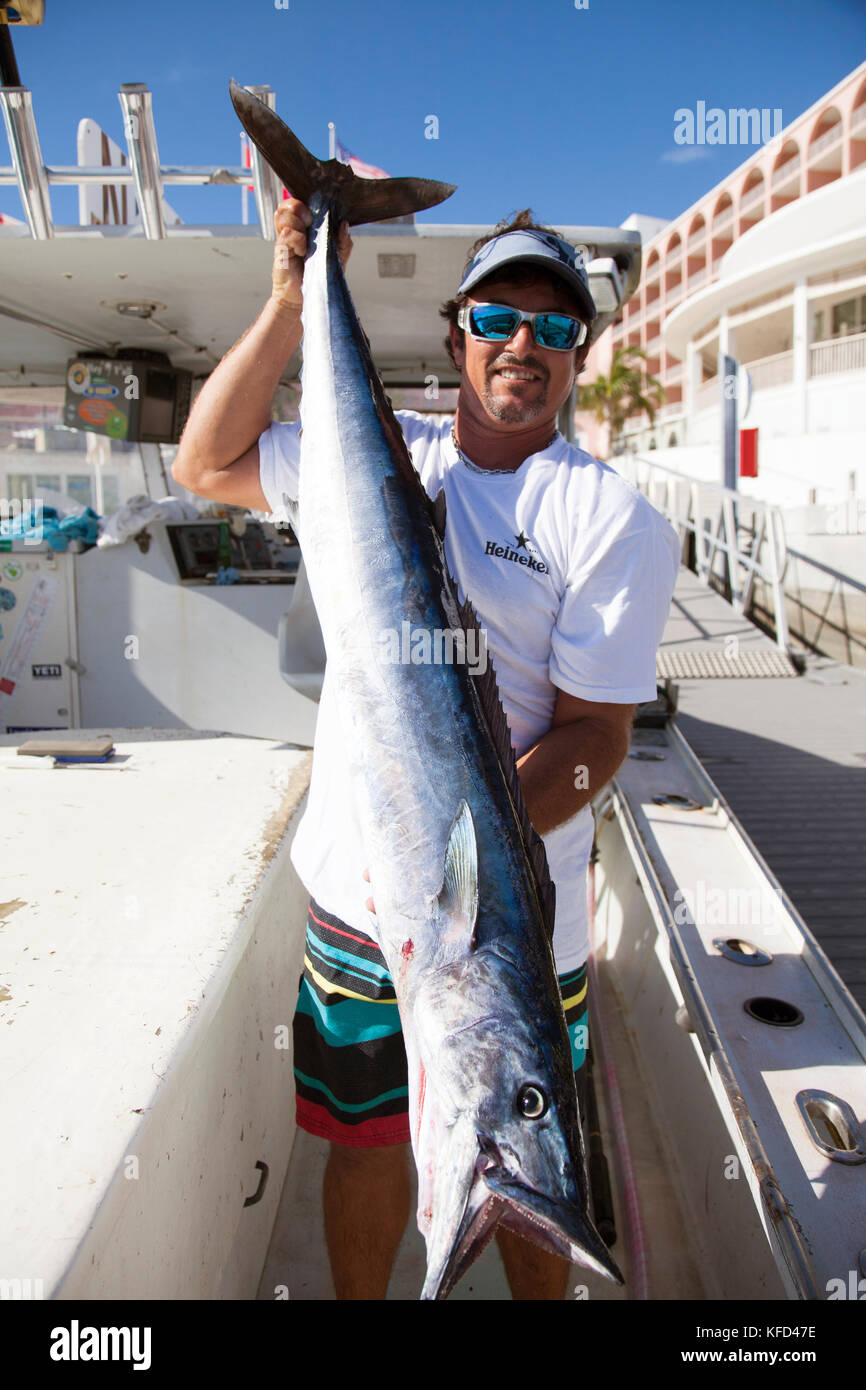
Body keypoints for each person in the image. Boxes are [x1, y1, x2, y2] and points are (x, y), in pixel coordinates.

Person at [172, 197, 680, 1301]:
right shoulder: (378, 451)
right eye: (500, 318)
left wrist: (466, 852)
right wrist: (291, 293)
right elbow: (204, 464)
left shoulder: (613, 523)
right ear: (457, 333)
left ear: (577, 358)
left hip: (520, 924)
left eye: (555, 332)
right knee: (361, 1142)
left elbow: (596, 737)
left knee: (529, 1150)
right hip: (359, 898)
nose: (523, 348)